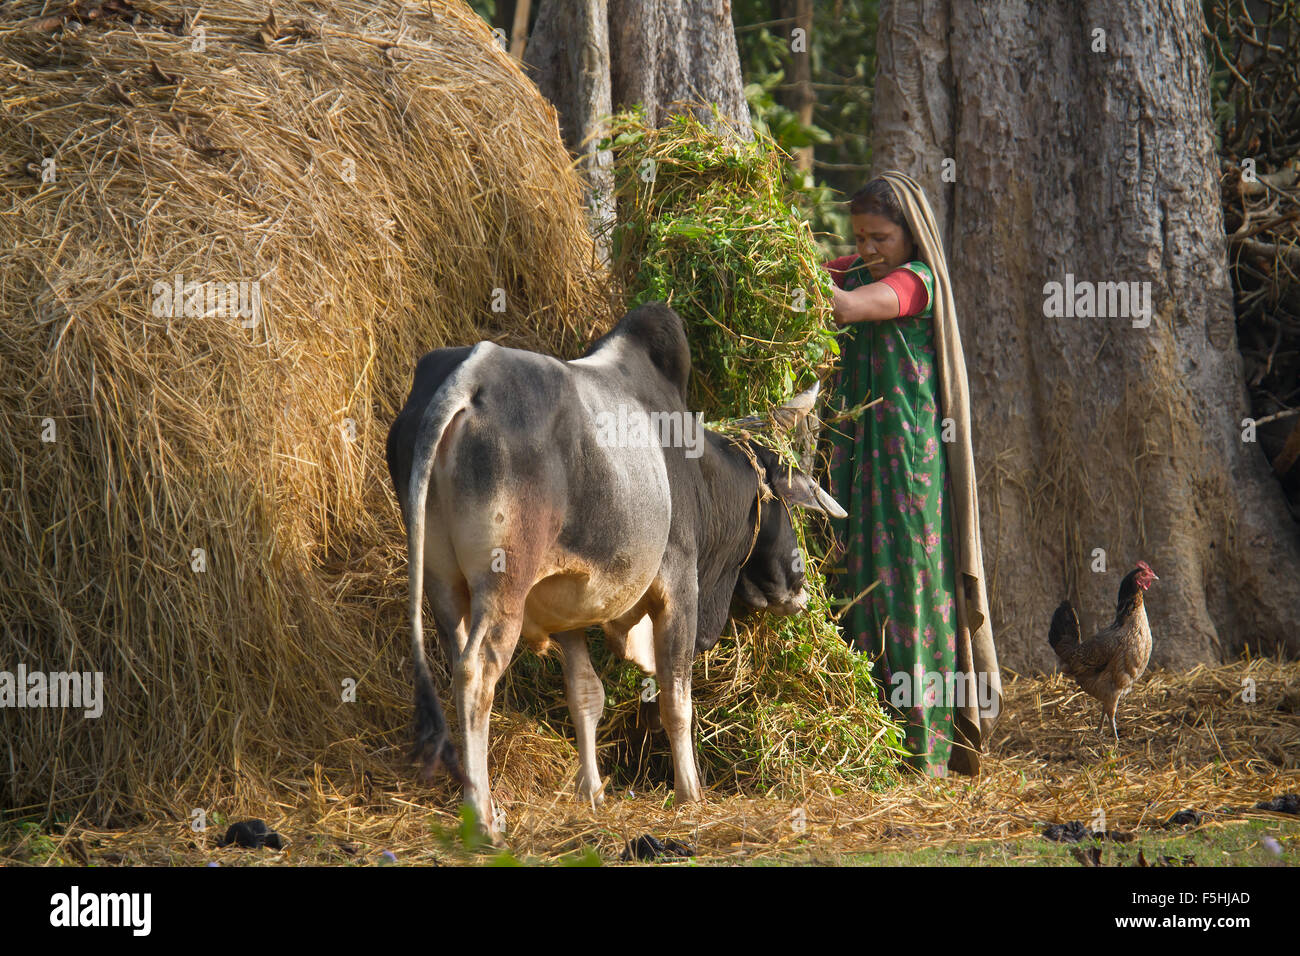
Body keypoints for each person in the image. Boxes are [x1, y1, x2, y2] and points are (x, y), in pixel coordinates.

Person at [822, 172, 1001, 776]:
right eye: (860, 238)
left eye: (880, 237)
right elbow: (827, 273)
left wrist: (802, 283)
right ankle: (866, 743)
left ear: (910, 234)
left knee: (911, 589)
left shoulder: (916, 282)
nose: (869, 249)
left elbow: (844, 306)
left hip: (908, 470)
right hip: (856, 460)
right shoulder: (861, 269)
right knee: (854, 582)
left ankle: (922, 753)